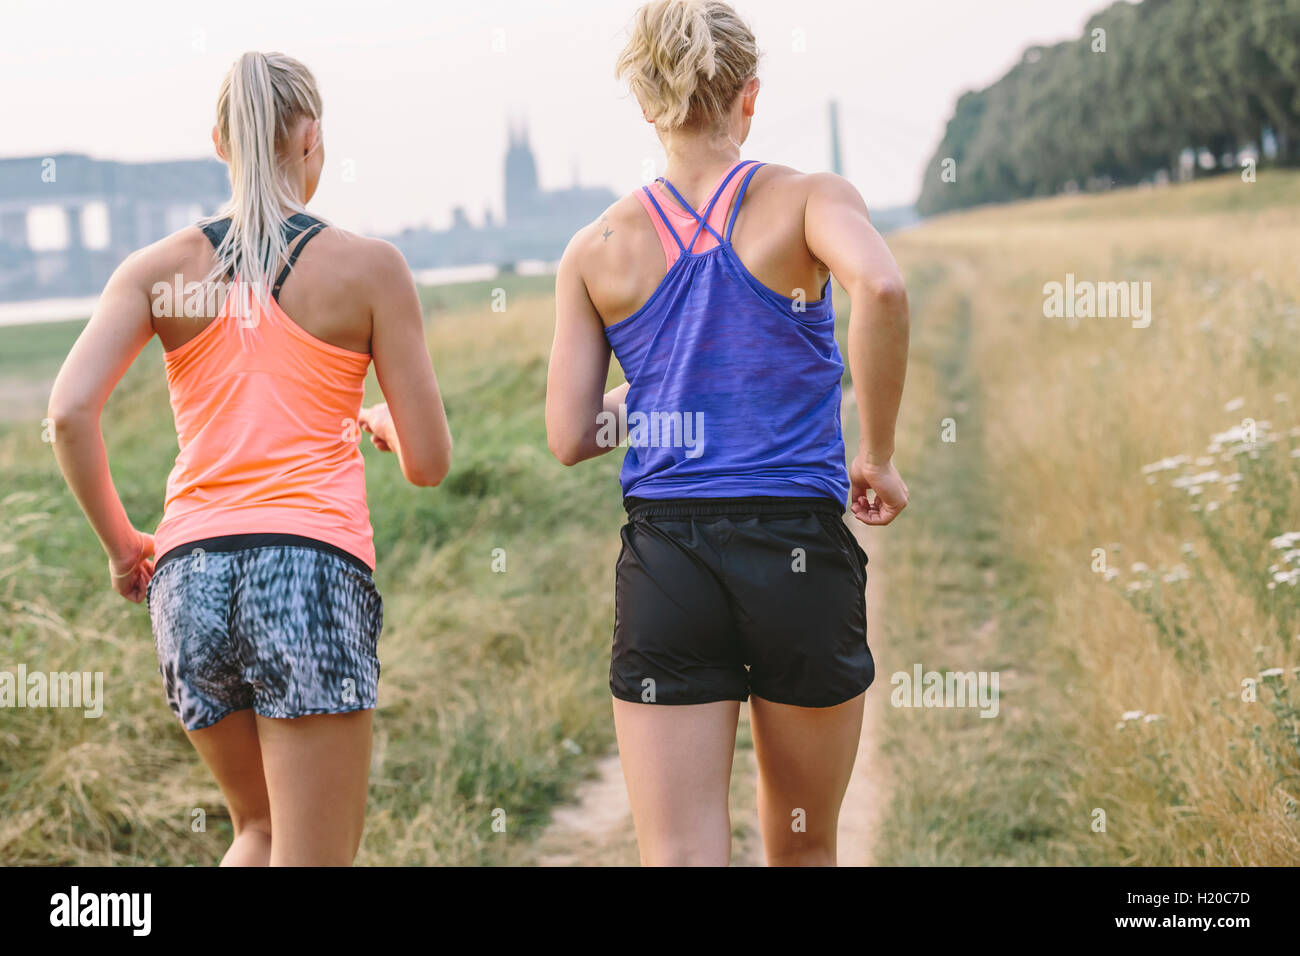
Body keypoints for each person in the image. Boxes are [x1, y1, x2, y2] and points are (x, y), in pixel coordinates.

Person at [47, 51, 451, 866]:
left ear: (220, 142)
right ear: (310, 137)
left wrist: (127, 548)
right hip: (306, 571)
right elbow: (430, 463)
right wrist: (379, 422)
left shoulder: (157, 271)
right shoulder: (371, 270)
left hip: (188, 579)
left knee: (257, 832)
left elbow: (67, 413)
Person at [545, 0, 910, 866]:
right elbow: (884, 293)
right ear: (749, 95)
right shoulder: (810, 200)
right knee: (804, 843)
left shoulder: (596, 248)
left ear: (645, 104)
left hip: (670, 560)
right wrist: (879, 457)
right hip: (796, 550)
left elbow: (569, 435)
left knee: (676, 855)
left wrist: (660, 394)